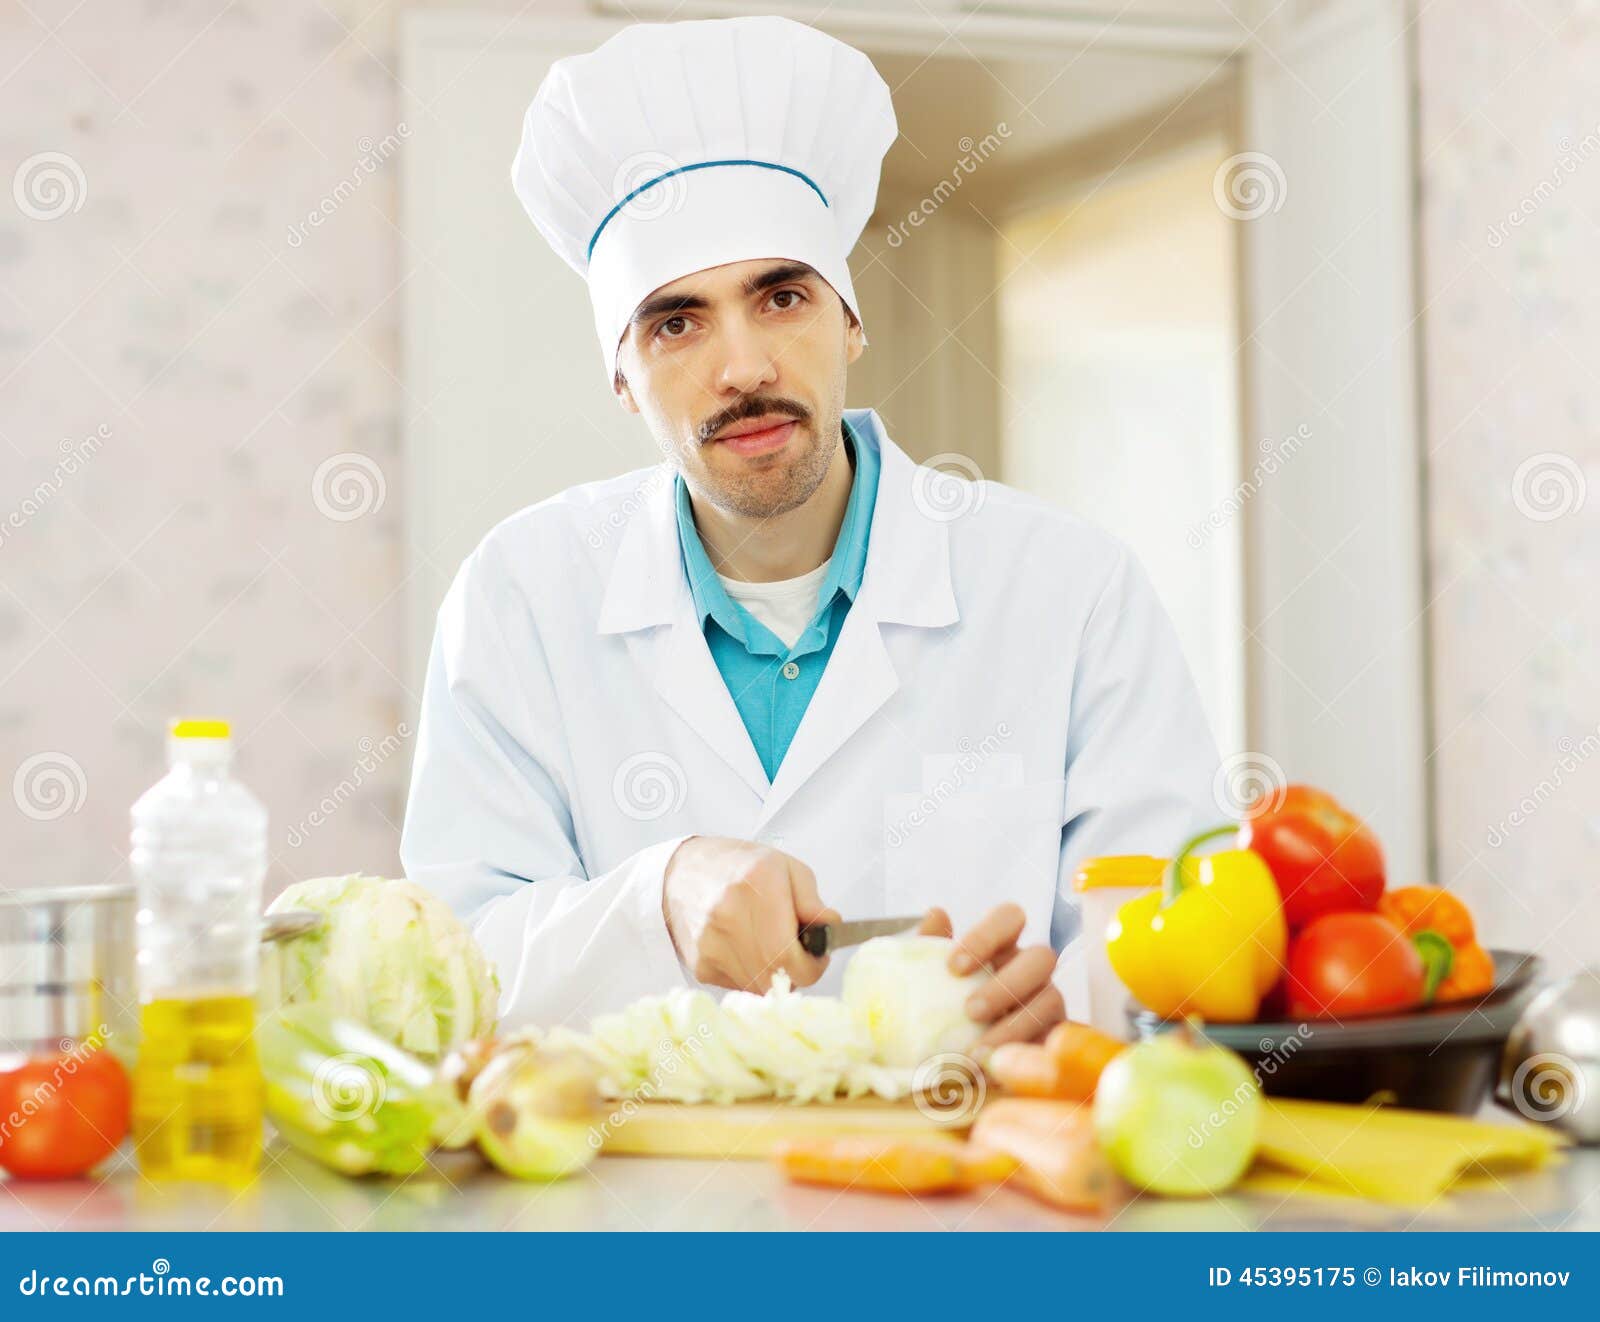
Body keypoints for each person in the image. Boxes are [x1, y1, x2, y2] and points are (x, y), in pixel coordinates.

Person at [400, 16, 1220, 1043]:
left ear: (850, 322)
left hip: (969, 1186)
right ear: (621, 375)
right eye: (676, 321)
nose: (741, 367)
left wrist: (1080, 1018)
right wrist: (654, 897)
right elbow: (452, 963)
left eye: (781, 295)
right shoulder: (516, 595)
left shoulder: (1068, 586)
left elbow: (1183, 940)